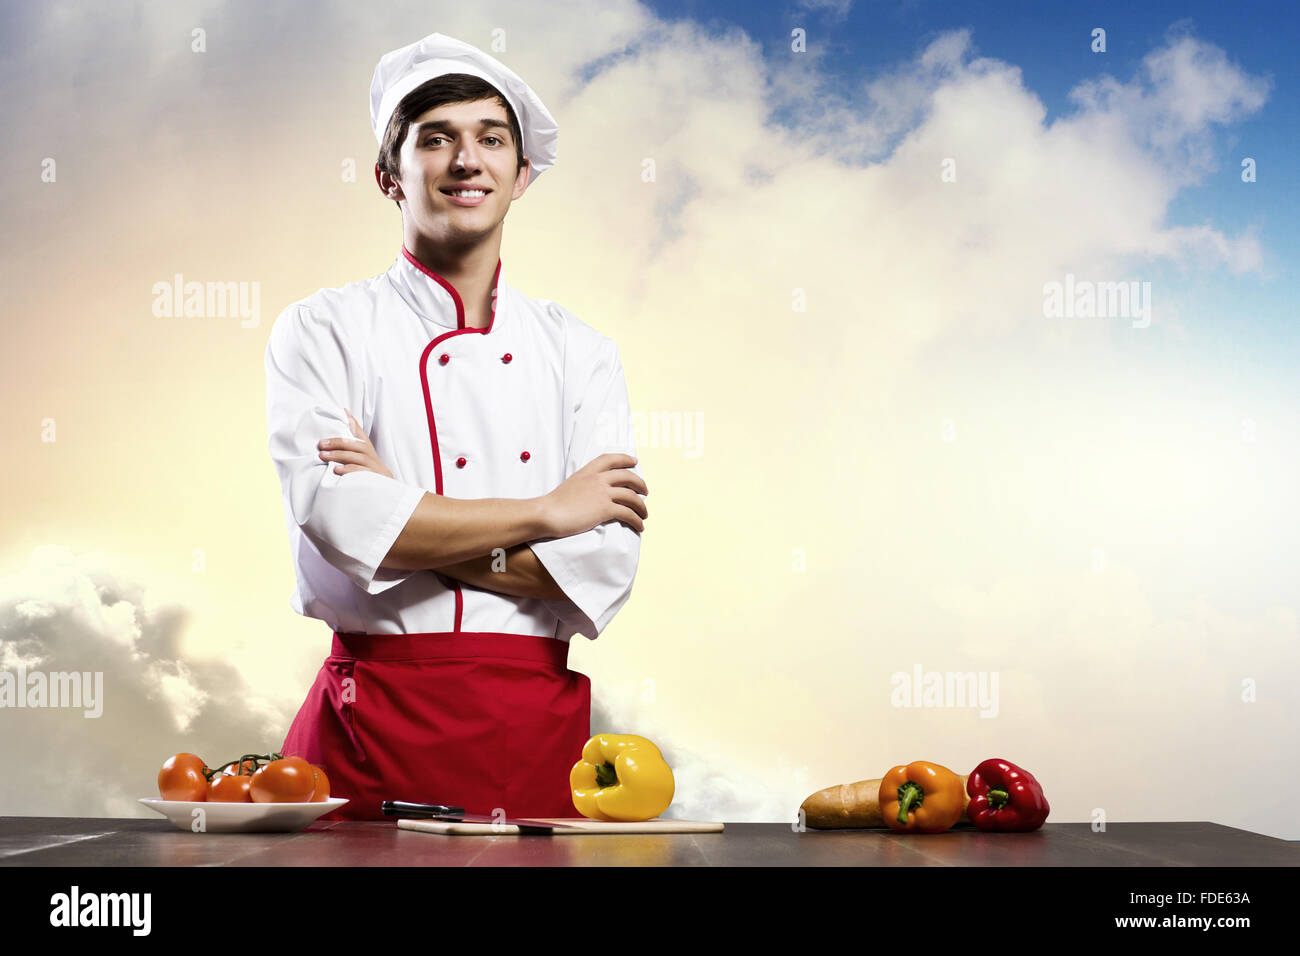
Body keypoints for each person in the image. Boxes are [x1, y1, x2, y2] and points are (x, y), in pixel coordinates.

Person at [263, 32, 648, 822]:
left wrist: (405, 515)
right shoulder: (321, 328)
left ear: (521, 174)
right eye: (435, 139)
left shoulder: (581, 352)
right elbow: (338, 520)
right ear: (388, 177)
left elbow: (603, 568)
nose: (466, 160)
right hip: (365, 733)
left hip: (536, 737)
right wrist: (547, 513)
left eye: (491, 139)